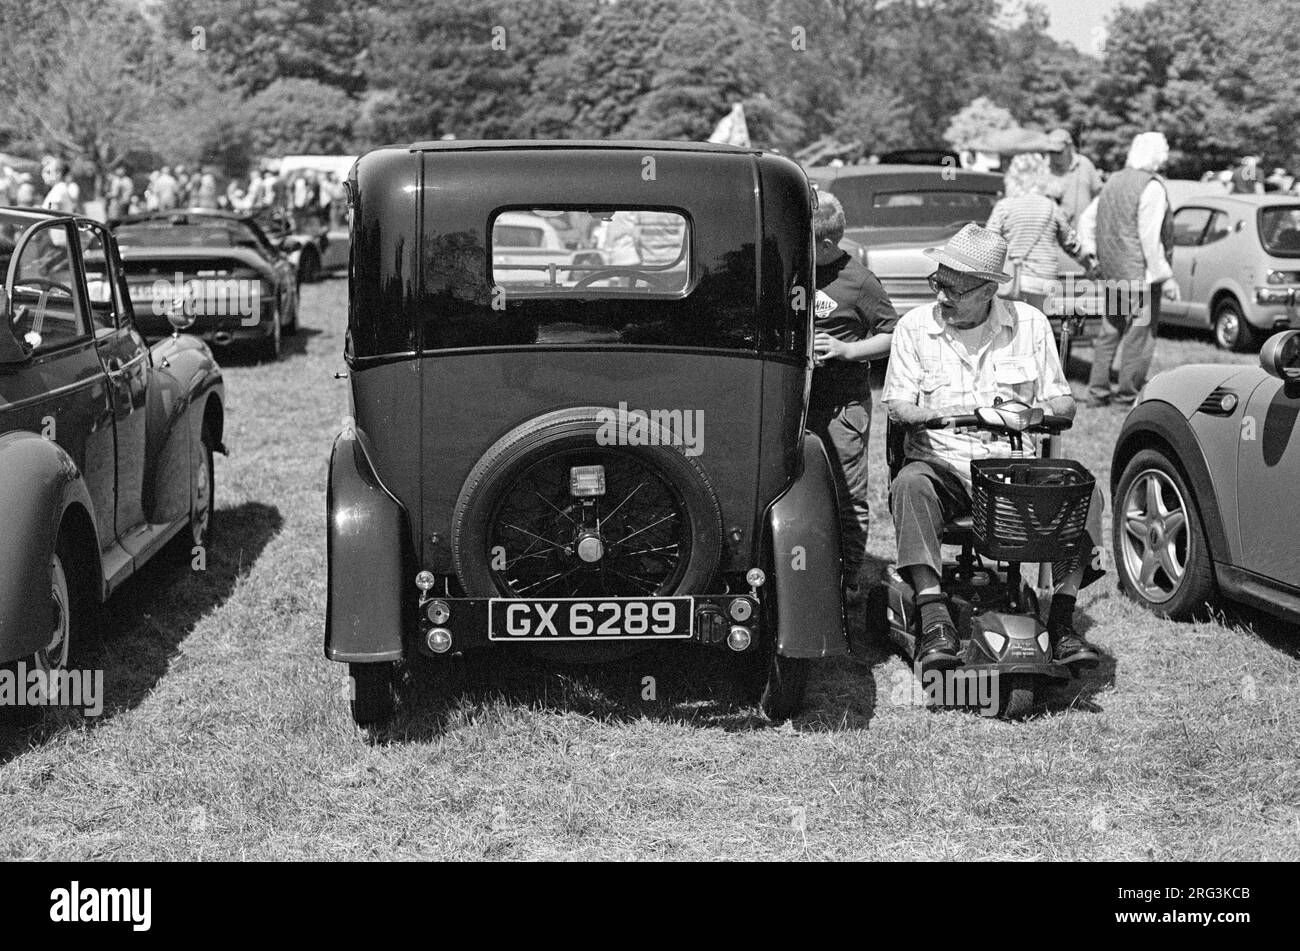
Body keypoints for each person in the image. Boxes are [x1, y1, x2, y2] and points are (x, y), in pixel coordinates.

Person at [881, 223, 1105, 670]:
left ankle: (1060, 622)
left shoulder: (1030, 325)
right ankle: (935, 619)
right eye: (937, 282)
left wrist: (1029, 415)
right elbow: (898, 407)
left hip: (1011, 472)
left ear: (988, 291)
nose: (941, 296)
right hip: (943, 465)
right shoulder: (914, 328)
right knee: (910, 484)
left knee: (1087, 495)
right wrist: (941, 416)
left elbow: (1064, 402)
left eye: (954, 290)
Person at [808, 192, 897, 600]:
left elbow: (893, 335)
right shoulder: (794, 269)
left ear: (826, 245)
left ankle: (848, 582)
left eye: (805, 238)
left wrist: (849, 350)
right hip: (797, 407)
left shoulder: (860, 281)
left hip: (842, 407)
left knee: (848, 497)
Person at [1078, 131, 1173, 407]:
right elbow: (1149, 237)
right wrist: (1164, 276)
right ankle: (1126, 395)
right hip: (1138, 275)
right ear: (1158, 155)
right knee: (1138, 336)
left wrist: (1091, 253)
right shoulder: (1152, 186)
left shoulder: (1114, 180)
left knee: (1110, 332)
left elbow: (1086, 219)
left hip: (1113, 271)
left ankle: (1096, 393)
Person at [986, 152, 1092, 312]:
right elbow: (1070, 243)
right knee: (1036, 326)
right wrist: (1088, 264)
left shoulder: (1004, 207)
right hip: (1044, 281)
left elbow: (988, 244)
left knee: (1011, 327)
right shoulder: (1051, 207)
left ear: (1013, 178)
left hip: (1012, 281)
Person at [1046, 129, 1103, 228]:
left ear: (1069, 147)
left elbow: (1099, 195)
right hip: (1053, 236)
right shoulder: (1043, 168)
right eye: (1051, 152)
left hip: (1082, 233)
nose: (1054, 156)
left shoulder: (1085, 164)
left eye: (1058, 152)